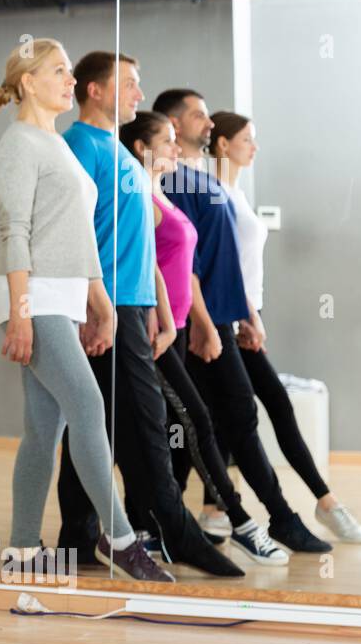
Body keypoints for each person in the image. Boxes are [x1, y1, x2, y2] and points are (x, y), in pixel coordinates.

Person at [0, 38, 172, 582]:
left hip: (63, 298)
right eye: (60, 72)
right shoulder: (18, 144)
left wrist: (100, 303)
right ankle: (118, 539)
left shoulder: (58, 145)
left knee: (44, 430)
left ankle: (21, 551)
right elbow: (14, 232)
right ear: (28, 82)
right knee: (90, 410)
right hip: (33, 297)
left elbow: (80, 239)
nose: (70, 80)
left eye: (70, 72)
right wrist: (21, 315)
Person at [54, 53, 241, 577]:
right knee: (146, 421)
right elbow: (76, 234)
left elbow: (145, 246)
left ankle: (78, 536)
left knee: (100, 423)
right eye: (130, 84)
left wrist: (160, 310)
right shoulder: (78, 148)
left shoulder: (116, 149)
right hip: (108, 305)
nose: (139, 95)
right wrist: (95, 307)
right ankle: (174, 532)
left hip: (134, 305)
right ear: (94, 90)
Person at [153, 89, 330, 555]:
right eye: (197, 115)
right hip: (202, 323)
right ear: (174, 122)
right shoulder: (177, 184)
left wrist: (246, 316)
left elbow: (229, 258)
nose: (208, 122)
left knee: (200, 423)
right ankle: (276, 519)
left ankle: (171, 520)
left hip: (225, 317)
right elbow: (184, 263)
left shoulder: (205, 180)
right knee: (230, 418)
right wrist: (206, 324)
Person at [119, 112, 286, 565]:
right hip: (150, 331)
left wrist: (178, 323)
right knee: (188, 422)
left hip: (169, 328)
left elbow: (162, 265)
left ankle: (150, 527)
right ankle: (238, 521)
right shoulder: (136, 192)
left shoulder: (161, 194)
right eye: (168, 142)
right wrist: (161, 319)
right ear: (142, 148)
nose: (177, 150)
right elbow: (136, 261)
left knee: (163, 429)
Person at [208, 111, 361, 544]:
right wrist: (247, 316)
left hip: (244, 316)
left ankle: (213, 508)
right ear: (222, 144)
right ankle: (324, 502)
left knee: (234, 412)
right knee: (269, 404)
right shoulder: (215, 195)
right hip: (232, 318)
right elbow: (221, 268)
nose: (254, 147)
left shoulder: (235, 193)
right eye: (246, 139)